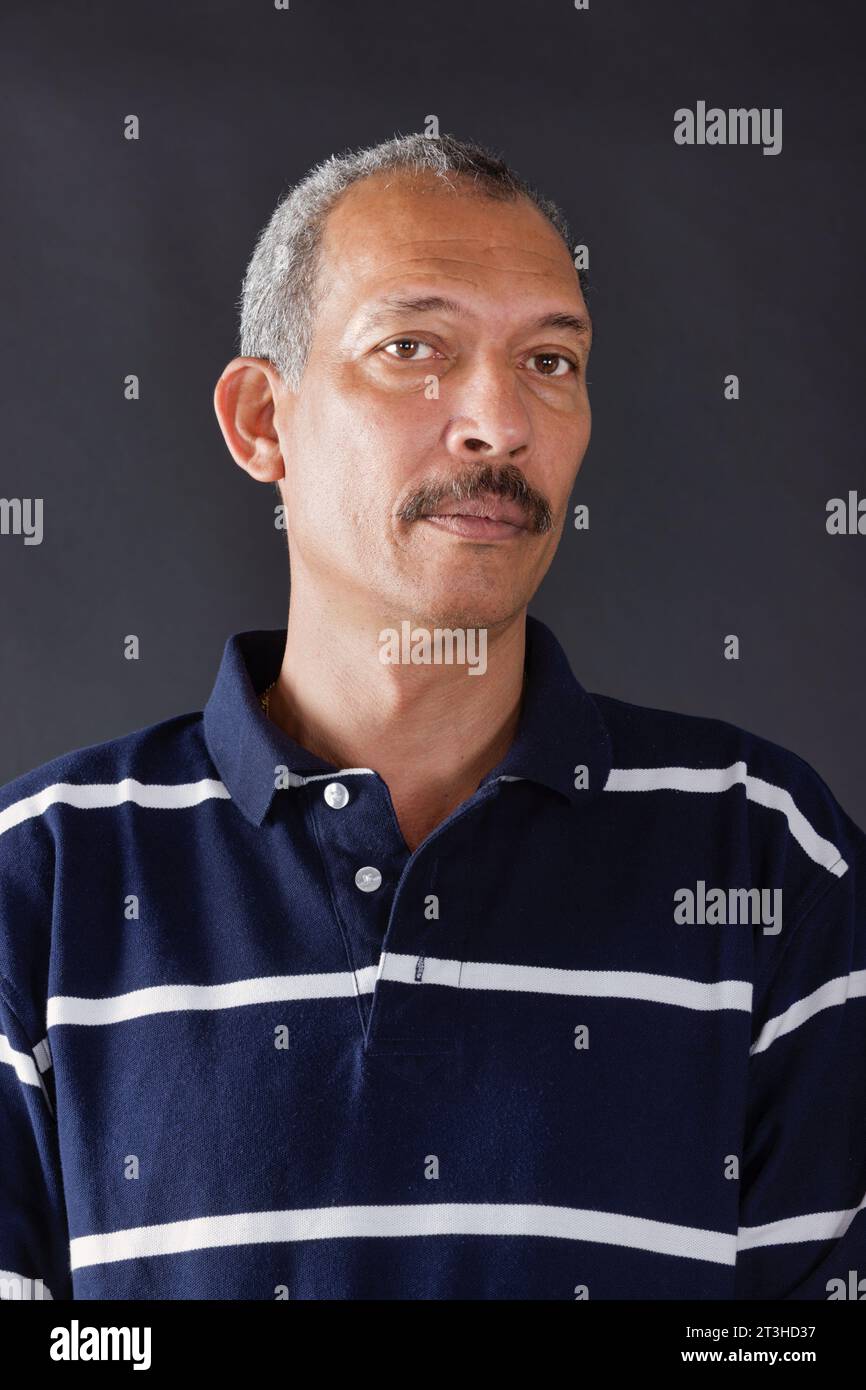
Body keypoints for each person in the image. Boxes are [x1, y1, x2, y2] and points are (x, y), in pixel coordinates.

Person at [1, 133, 863, 1302]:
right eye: (413, 348)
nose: (498, 423)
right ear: (263, 421)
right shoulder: (41, 879)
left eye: (550, 360)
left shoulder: (765, 852)